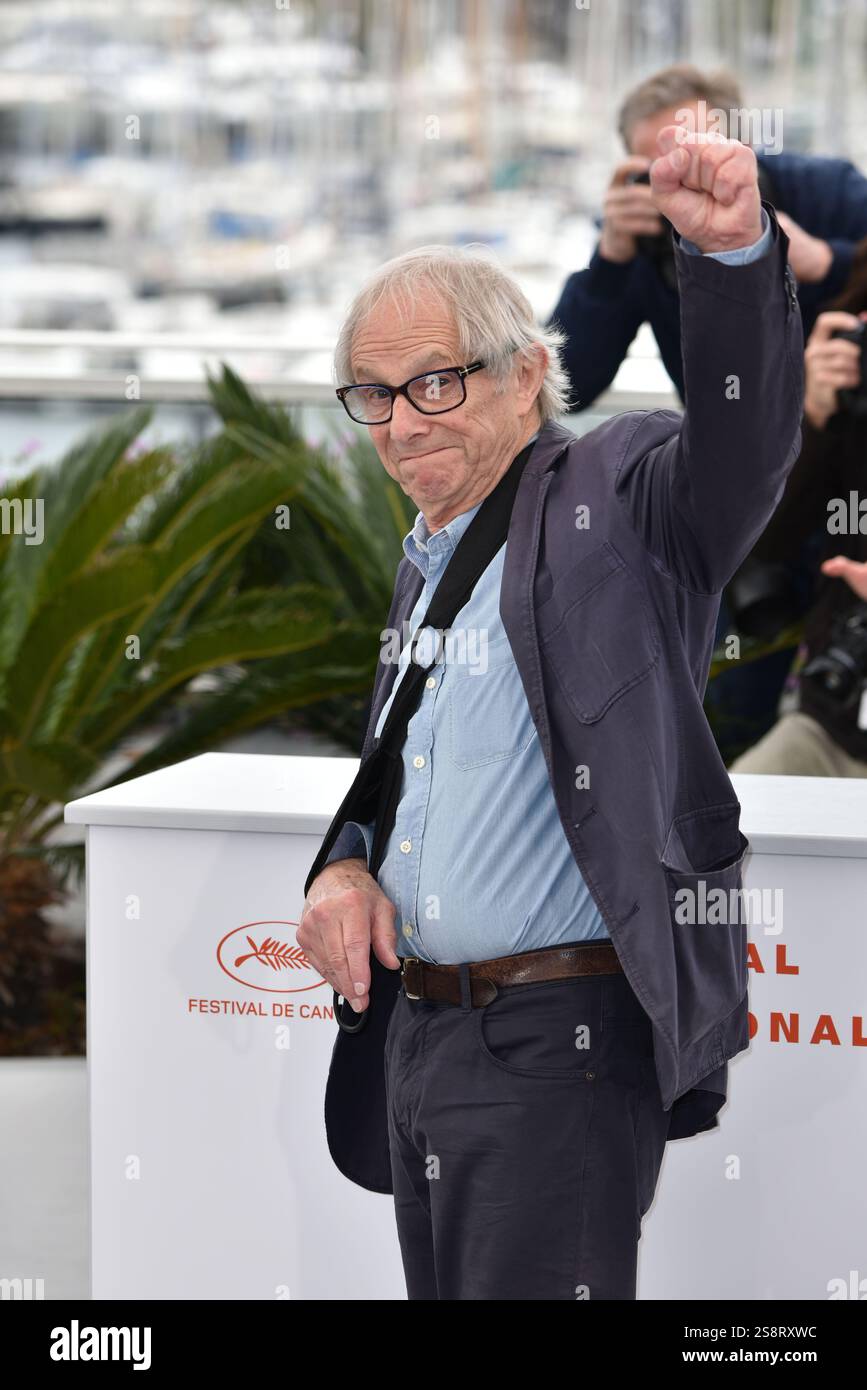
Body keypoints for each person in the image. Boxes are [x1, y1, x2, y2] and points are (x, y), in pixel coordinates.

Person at [299, 127, 804, 1300]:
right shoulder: (426, 557)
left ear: (526, 372)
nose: (403, 423)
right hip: (421, 1032)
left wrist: (729, 262)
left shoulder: (620, 497)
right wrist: (348, 866)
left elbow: (745, 449)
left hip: (558, 1038)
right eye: (374, 395)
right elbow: (401, 776)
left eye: (435, 381)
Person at [549, 63, 867, 410]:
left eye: (697, 161)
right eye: (658, 172)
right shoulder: (645, 235)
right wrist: (609, 263)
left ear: (744, 146)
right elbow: (569, 386)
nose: (681, 183)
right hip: (728, 448)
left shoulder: (823, 190)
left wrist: (826, 262)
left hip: (840, 438)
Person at [728, 243, 867, 777]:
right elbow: (762, 544)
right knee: (726, 840)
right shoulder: (854, 399)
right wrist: (812, 416)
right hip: (838, 710)